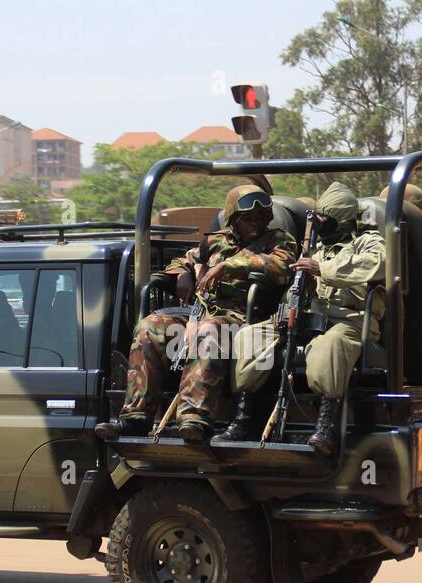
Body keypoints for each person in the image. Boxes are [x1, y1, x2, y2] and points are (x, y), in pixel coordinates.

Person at [96, 185, 296, 442]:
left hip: (244, 317)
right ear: (234, 218)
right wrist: (181, 274)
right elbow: (184, 260)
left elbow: (282, 266)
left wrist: (228, 266)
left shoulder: (277, 240)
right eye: (248, 217)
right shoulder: (215, 241)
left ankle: (194, 419)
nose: (255, 222)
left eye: (260, 216)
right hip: (200, 312)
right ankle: (134, 418)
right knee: (150, 326)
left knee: (208, 331)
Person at [224, 182, 383, 455]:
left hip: (350, 320)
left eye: (325, 220)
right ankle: (244, 417)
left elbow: (375, 264)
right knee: (251, 336)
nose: (321, 226)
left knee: (327, 347)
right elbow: (296, 286)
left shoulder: (368, 242)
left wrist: (321, 268)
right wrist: (287, 308)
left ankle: (326, 425)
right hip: (310, 317)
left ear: (341, 219)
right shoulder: (316, 248)